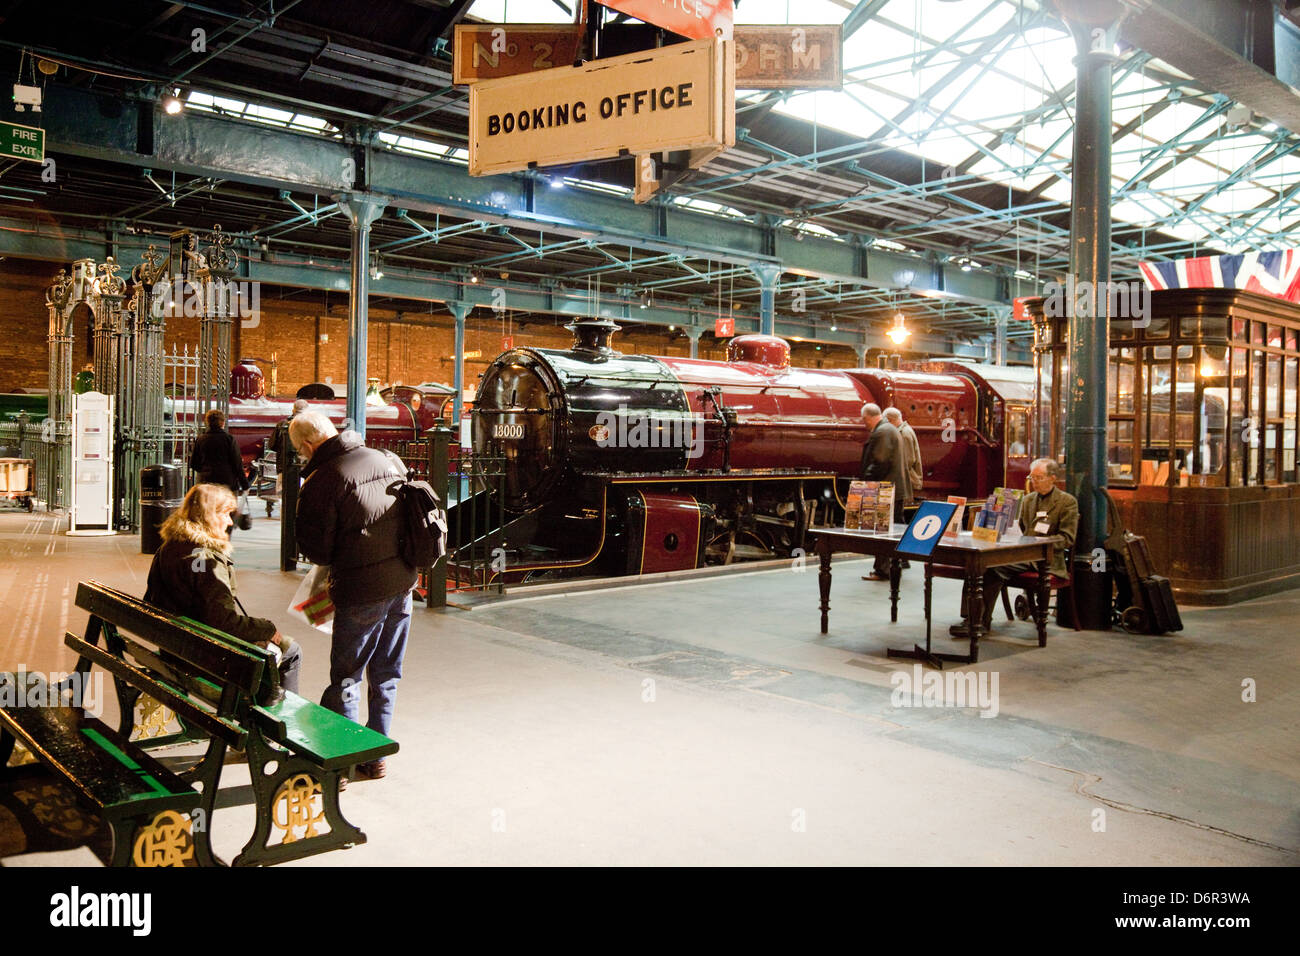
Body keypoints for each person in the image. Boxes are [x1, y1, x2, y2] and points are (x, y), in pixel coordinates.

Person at [290, 410, 415, 781]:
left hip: (361, 591)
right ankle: (375, 755)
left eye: (300, 451)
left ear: (310, 446)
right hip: (403, 583)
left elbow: (318, 552)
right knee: (387, 671)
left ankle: (342, 763)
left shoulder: (322, 479)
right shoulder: (387, 459)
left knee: (347, 676)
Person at [144, 482, 301, 692]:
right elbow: (222, 622)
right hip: (204, 656)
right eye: (225, 514)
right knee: (291, 650)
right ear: (208, 515)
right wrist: (267, 627)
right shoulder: (205, 559)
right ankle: (277, 718)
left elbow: (151, 599)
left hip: (175, 648)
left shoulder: (169, 547)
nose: (228, 522)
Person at [949, 458, 1079, 638]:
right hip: (1021, 554)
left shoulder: (1067, 502)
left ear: (1053, 478)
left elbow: (1067, 539)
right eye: (1031, 477)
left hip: (1044, 559)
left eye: (1039, 478)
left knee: (993, 567)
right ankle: (971, 618)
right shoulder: (1028, 500)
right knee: (978, 564)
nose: (1034, 482)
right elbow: (1022, 529)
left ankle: (978, 622)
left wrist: (1038, 543)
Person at [860, 402, 910, 580]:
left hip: (885, 489)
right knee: (892, 529)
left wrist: (866, 481)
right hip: (893, 488)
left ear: (871, 417)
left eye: (864, 419)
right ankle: (895, 564)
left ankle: (882, 570)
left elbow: (880, 461)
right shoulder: (889, 429)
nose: (863, 423)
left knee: (881, 530)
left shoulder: (882, 432)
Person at [191, 408, 249, 498]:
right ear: (222, 423)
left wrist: (206, 472)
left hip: (206, 484)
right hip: (227, 485)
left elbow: (194, 464)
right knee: (227, 510)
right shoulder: (229, 439)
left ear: (208, 422)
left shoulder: (200, 439)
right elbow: (237, 464)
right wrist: (245, 484)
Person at [884, 407, 923, 504]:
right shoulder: (904, 431)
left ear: (889, 420)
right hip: (905, 480)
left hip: (906, 482)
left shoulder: (904, 433)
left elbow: (907, 460)